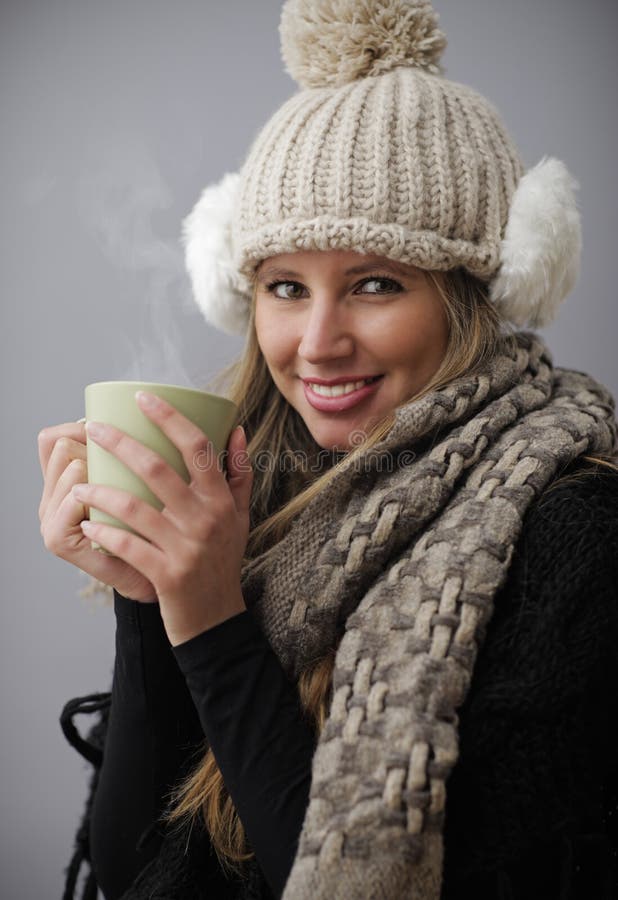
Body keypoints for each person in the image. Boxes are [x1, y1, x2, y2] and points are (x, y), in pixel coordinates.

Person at [37, 1, 618, 898]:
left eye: (375, 284)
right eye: (285, 286)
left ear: (476, 295)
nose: (316, 343)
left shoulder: (576, 537)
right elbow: (131, 871)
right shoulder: (255, 487)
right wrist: (149, 600)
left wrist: (213, 622)